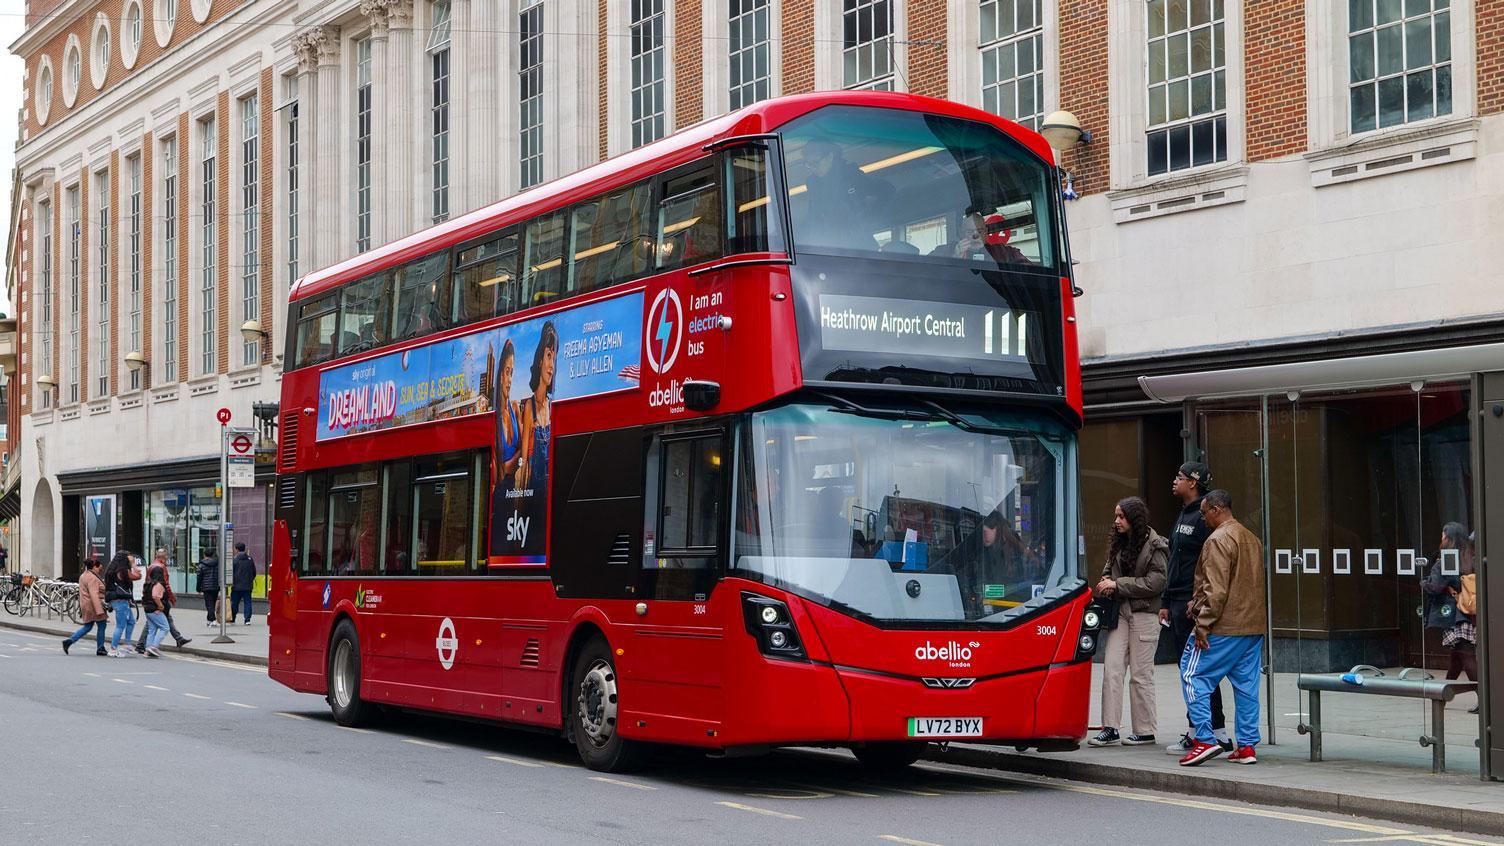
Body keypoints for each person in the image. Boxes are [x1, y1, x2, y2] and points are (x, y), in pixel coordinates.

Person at [1178, 490, 1267, 766]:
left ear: (1216, 510)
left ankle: (1204, 739)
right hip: (1252, 626)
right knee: (1246, 688)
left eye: (1204, 513)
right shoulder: (1252, 538)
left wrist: (1202, 626)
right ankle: (1247, 746)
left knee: (1192, 675)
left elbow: (1216, 589)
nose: (1202, 518)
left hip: (1223, 626)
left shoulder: (1217, 539)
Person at [1161, 461, 1231, 755]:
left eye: (1179, 477)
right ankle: (1198, 730)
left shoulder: (1205, 515)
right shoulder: (1184, 513)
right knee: (1189, 671)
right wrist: (1165, 601)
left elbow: (1210, 566)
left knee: (1200, 671)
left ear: (1193, 482)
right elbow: (1176, 561)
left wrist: (1197, 599)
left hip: (1192, 604)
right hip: (1176, 602)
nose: (1174, 481)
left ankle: (1216, 732)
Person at [1089, 497, 1168, 747]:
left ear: (1134, 518)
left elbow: (1156, 582)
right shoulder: (1119, 543)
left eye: (1121, 517)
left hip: (1145, 614)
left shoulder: (1156, 545)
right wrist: (1106, 582)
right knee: (1112, 669)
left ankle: (1144, 731)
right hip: (1120, 612)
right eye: (1115, 516)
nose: (1116, 521)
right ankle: (1110, 728)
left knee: (1141, 675)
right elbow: (1108, 570)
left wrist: (1118, 584)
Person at [1423, 522, 1478, 713]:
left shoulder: (1448, 559)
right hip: (1468, 612)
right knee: (1457, 658)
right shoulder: (1471, 555)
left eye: (1443, 536)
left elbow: (1436, 586)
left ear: (1450, 539)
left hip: (1456, 615)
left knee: (1467, 656)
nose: (1441, 539)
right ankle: (1442, 696)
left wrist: (1423, 582)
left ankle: (1485, 698)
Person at [791, 138, 879, 250]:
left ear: (830, 156)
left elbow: (888, 190)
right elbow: (814, 216)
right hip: (828, 243)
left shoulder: (851, 175)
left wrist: (868, 219)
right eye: (808, 164)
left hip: (858, 243)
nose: (813, 168)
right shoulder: (812, 182)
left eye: (816, 162)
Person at [518, 321, 558, 557]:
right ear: (539, 360)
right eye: (548, 355)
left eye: (554, 357)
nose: (551, 364)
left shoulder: (554, 407)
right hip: (533, 493)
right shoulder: (530, 407)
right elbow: (524, 457)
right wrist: (520, 502)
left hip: (550, 496)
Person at [490, 339, 523, 554]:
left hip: (517, 497)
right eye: (507, 372)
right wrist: (522, 457)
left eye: (512, 372)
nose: (510, 379)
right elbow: (502, 472)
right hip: (501, 499)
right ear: (500, 375)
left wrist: (517, 459)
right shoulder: (493, 419)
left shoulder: (515, 408)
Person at [134, 549, 191, 651]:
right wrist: (172, 598)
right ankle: (145, 645)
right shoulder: (161, 568)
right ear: (165, 558)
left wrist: (144, 598)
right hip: (158, 599)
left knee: (159, 621)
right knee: (159, 624)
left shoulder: (151, 566)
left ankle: (178, 638)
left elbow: (146, 582)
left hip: (150, 600)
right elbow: (165, 584)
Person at [930, 209, 1032, 265]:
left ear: (986, 232)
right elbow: (928, 271)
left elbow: (1027, 270)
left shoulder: (1003, 252)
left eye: (980, 231)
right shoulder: (944, 252)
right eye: (970, 232)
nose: (975, 236)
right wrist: (955, 258)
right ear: (961, 233)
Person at [62, 557, 109, 656]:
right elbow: (94, 594)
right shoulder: (92, 578)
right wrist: (99, 610)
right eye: (99, 566)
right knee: (102, 625)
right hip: (93, 606)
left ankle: (69, 641)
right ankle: (100, 648)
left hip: (86, 605)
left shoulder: (84, 575)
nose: (101, 568)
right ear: (94, 567)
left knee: (87, 626)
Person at [103, 551, 141, 657]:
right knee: (120, 626)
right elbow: (138, 575)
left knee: (131, 621)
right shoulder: (122, 571)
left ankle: (127, 643)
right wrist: (133, 564)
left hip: (116, 600)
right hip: (121, 602)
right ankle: (113, 649)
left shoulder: (111, 570)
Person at [139, 562, 172, 658]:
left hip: (147, 609)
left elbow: (144, 595)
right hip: (154, 609)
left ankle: (148, 650)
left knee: (152, 630)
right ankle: (154, 646)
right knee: (165, 628)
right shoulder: (158, 584)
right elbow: (155, 596)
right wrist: (160, 606)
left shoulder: (148, 583)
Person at [231, 542, 256, 625]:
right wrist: (249, 579)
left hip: (236, 586)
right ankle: (247, 619)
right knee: (248, 602)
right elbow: (254, 572)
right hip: (248, 585)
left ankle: (233, 618)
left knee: (234, 602)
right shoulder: (250, 559)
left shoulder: (234, 559)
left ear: (237, 549)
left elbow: (231, 572)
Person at [197, 548, 221, 627]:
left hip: (207, 588)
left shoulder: (202, 565)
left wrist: (198, 588)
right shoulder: (217, 564)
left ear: (204, 555)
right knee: (212, 604)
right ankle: (209, 620)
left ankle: (213, 621)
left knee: (209, 604)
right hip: (216, 586)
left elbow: (199, 577)